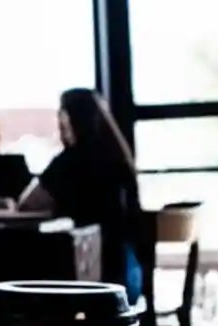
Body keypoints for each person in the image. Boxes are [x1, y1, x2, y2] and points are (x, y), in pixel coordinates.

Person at [19, 88, 144, 302]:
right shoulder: (120, 158)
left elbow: (27, 203)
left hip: (89, 278)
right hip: (127, 274)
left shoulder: (70, 160)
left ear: (67, 119)